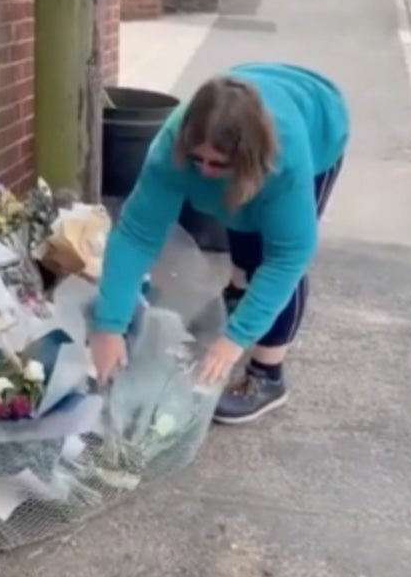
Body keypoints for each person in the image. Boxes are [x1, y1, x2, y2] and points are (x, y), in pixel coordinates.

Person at [88, 64, 350, 425]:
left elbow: (289, 256)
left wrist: (234, 340)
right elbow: (137, 234)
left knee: (266, 255)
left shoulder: (284, 163)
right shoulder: (170, 149)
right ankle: (240, 299)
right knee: (239, 226)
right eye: (197, 160)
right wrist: (109, 325)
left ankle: (267, 376)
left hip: (317, 118)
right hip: (255, 101)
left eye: (218, 163)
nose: (206, 171)